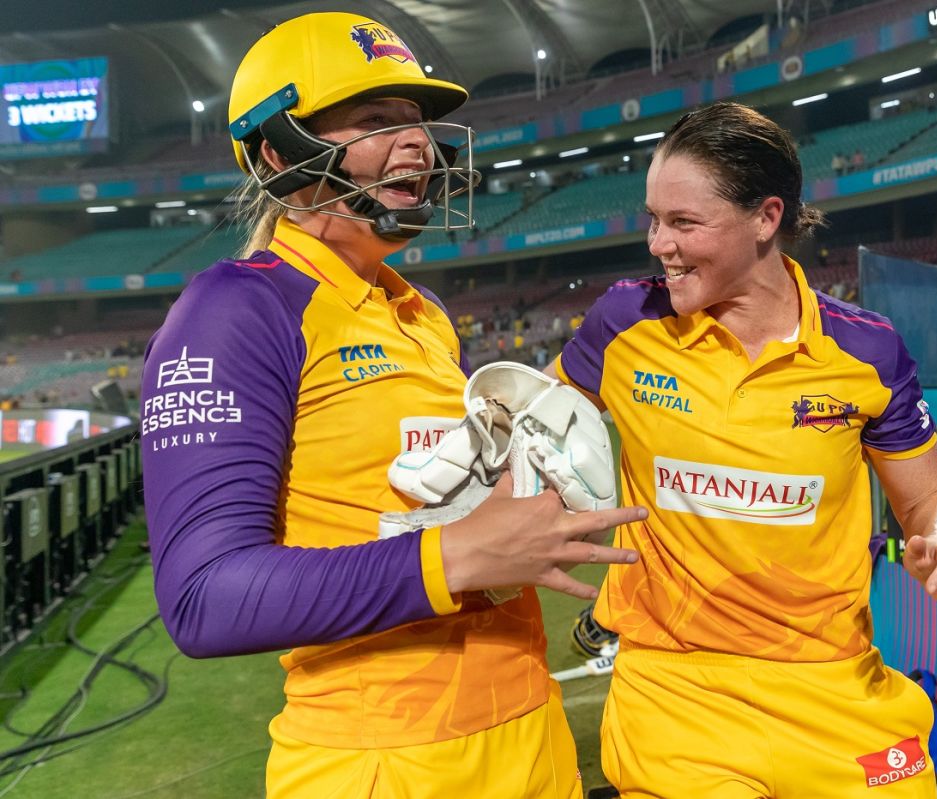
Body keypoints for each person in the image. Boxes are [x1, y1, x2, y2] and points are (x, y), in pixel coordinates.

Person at [140, 12, 643, 799]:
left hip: (531, 736)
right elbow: (204, 597)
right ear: (279, 150)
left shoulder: (425, 312)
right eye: (377, 122)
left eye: (417, 125)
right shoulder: (237, 308)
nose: (418, 145)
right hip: (380, 761)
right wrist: (459, 556)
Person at [552, 102, 937, 798]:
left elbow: (930, 497)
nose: (659, 243)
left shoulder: (866, 351)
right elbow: (524, 421)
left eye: (685, 222)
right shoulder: (624, 323)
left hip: (839, 689)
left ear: (766, 217)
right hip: (677, 691)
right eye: (653, 218)